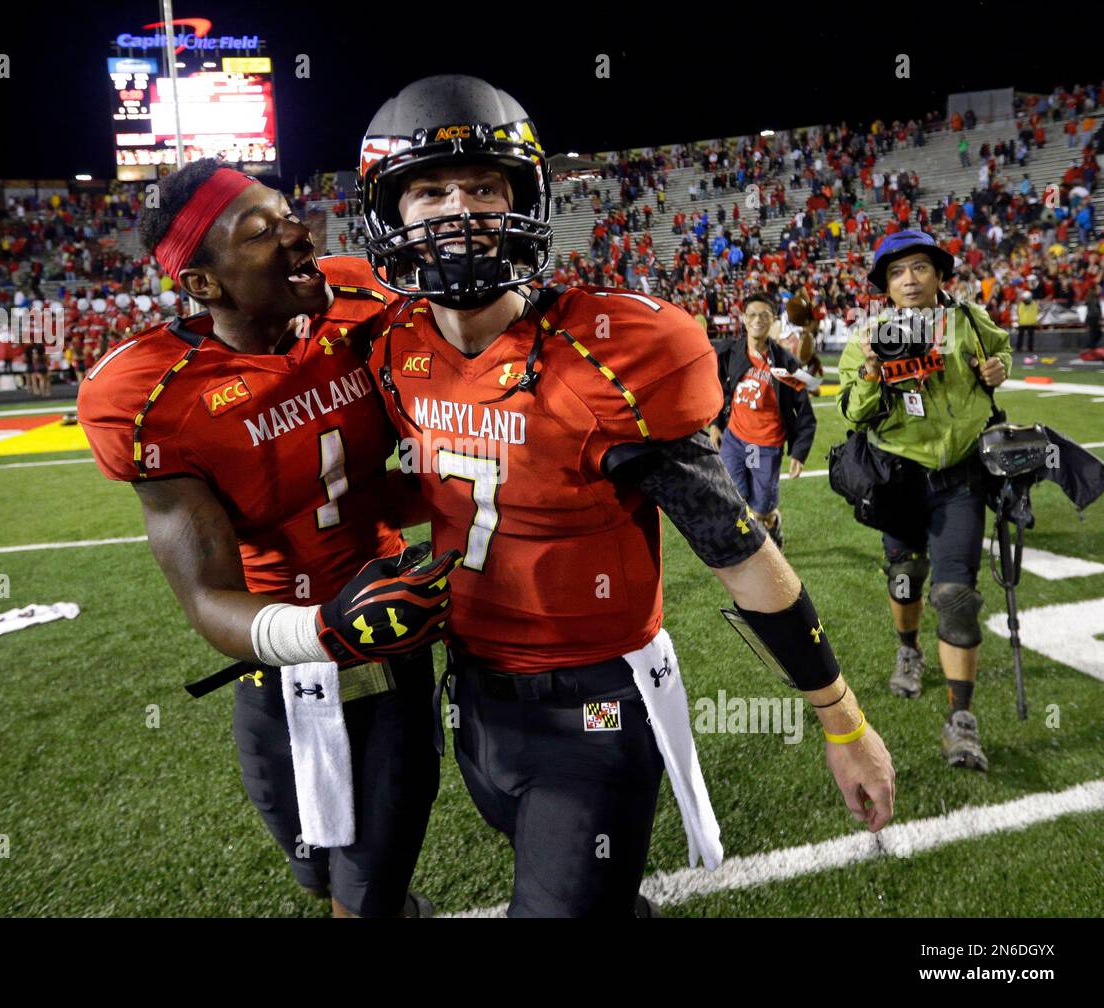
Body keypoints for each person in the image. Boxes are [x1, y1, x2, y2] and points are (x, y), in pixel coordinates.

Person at [359, 75, 894, 918]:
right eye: (429, 190)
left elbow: (740, 551)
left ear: (522, 201)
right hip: (472, 695)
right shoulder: (389, 344)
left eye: (484, 186)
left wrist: (843, 718)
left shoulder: (606, 356)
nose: (458, 208)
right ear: (392, 214)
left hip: (593, 704)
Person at [77, 160, 457, 919]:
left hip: (386, 645)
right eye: (258, 231)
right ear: (204, 286)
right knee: (315, 877)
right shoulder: (152, 396)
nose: (296, 233)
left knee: (363, 897)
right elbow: (207, 596)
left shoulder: (361, 302)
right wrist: (319, 630)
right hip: (274, 671)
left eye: (287, 214)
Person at [837, 230, 1011, 772]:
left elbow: (1002, 347)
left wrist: (999, 367)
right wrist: (870, 370)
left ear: (938, 274)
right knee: (906, 573)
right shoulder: (871, 334)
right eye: (896, 272)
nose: (909, 280)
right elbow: (853, 414)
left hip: (960, 476)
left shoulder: (970, 322)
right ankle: (908, 650)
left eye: (919, 268)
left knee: (957, 595)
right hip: (899, 477)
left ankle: (962, 721)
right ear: (886, 287)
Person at [708, 293, 816, 550]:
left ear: (773, 321)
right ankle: (752, 547)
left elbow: (805, 411)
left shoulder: (786, 363)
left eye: (764, 315)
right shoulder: (731, 354)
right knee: (735, 498)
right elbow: (717, 389)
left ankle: (772, 523)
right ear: (744, 319)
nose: (757, 320)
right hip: (734, 440)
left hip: (767, 446)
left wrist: (799, 453)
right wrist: (715, 423)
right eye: (752, 314)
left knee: (763, 508)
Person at [1016, 289, 1038, 354]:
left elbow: (1035, 312)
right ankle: (1020, 348)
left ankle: (1028, 348)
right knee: (1023, 336)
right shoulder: (1031, 304)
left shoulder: (1031, 304)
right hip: (1025, 322)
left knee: (1028, 336)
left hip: (1028, 323)